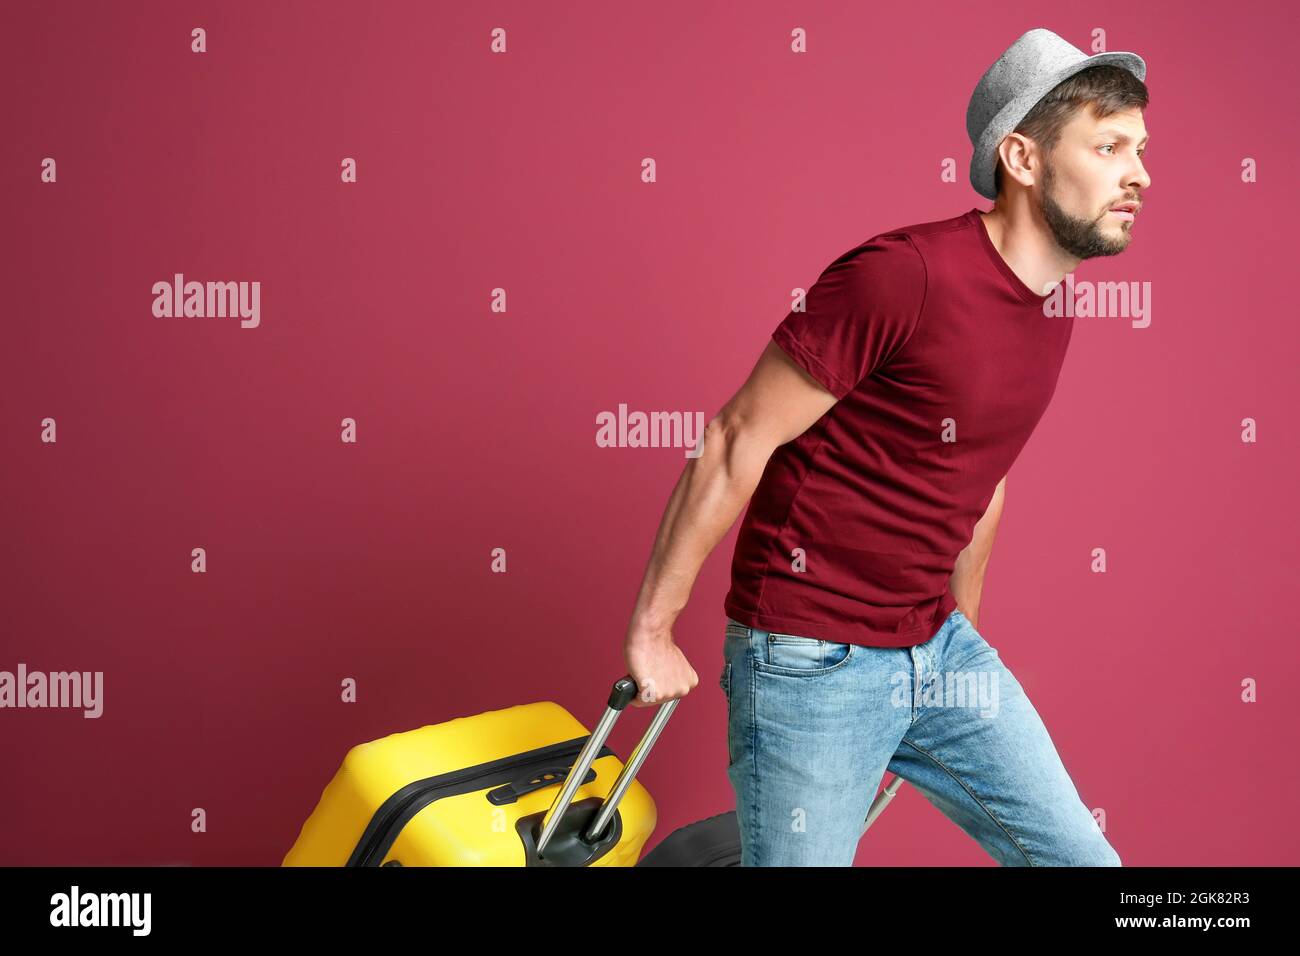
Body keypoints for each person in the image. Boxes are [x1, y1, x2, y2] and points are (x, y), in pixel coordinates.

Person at [623, 27, 1149, 865]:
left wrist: (959, 649)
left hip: (932, 644)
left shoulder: (1052, 304)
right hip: (809, 657)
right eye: (1109, 145)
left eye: (1141, 150)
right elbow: (734, 437)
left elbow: (980, 475)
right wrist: (654, 631)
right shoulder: (904, 273)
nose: (1139, 175)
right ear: (1022, 157)